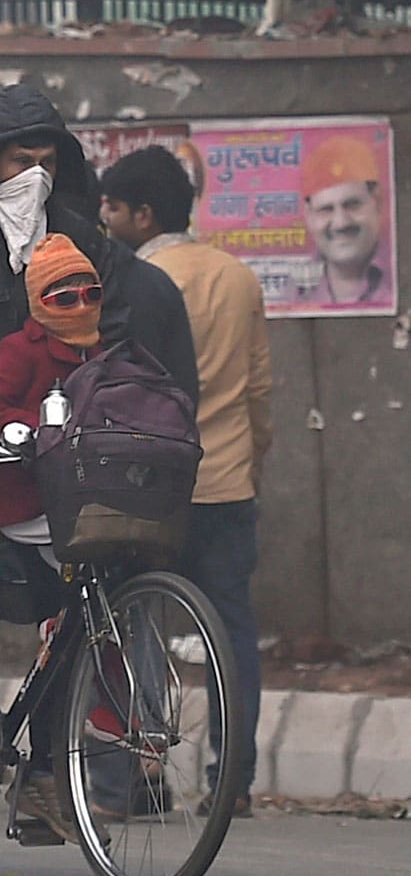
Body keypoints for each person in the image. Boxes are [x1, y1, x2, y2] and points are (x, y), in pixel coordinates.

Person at [0, 82, 198, 675]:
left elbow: (114, 334)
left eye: (47, 163)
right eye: (20, 161)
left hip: (53, 422)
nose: (34, 175)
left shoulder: (81, 236)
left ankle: (78, 681)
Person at [101, 143, 273, 817]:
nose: (105, 219)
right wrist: (252, 461)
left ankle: (143, 770)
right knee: (231, 631)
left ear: (143, 215)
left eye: (113, 208)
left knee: (129, 618)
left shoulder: (135, 282)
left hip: (150, 483)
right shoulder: (237, 277)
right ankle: (233, 779)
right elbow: (257, 389)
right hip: (226, 480)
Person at [0, 233, 106, 841]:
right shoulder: (20, 350)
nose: (79, 306)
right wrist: (29, 431)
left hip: (82, 504)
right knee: (67, 609)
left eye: (89, 294)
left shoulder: (102, 353)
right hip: (28, 505)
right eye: (63, 296)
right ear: (38, 302)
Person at [297, 135, 392, 306]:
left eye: (352, 205)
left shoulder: (401, 274)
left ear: (377, 203)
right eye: (326, 209)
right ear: (309, 216)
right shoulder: (293, 290)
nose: (341, 223)